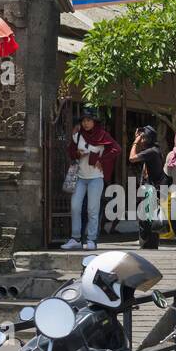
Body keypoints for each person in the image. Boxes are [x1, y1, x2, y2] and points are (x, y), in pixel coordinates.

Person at [62, 107, 120, 250]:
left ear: (94, 121)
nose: (85, 123)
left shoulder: (103, 135)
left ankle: (92, 240)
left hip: (96, 177)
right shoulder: (78, 135)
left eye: (88, 120)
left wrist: (102, 159)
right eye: (83, 121)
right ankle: (75, 239)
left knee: (92, 209)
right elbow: (71, 152)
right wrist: (77, 153)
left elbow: (117, 149)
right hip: (80, 177)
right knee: (75, 207)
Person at [129, 125, 164, 250]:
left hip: (152, 190)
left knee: (147, 219)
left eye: (143, 137)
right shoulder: (153, 150)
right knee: (146, 219)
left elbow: (132, 158)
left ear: (148, 138)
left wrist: (135, 142)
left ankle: (149, 245)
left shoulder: (152, 151)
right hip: (151, 189)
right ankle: (148, 245)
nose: (140, 139)